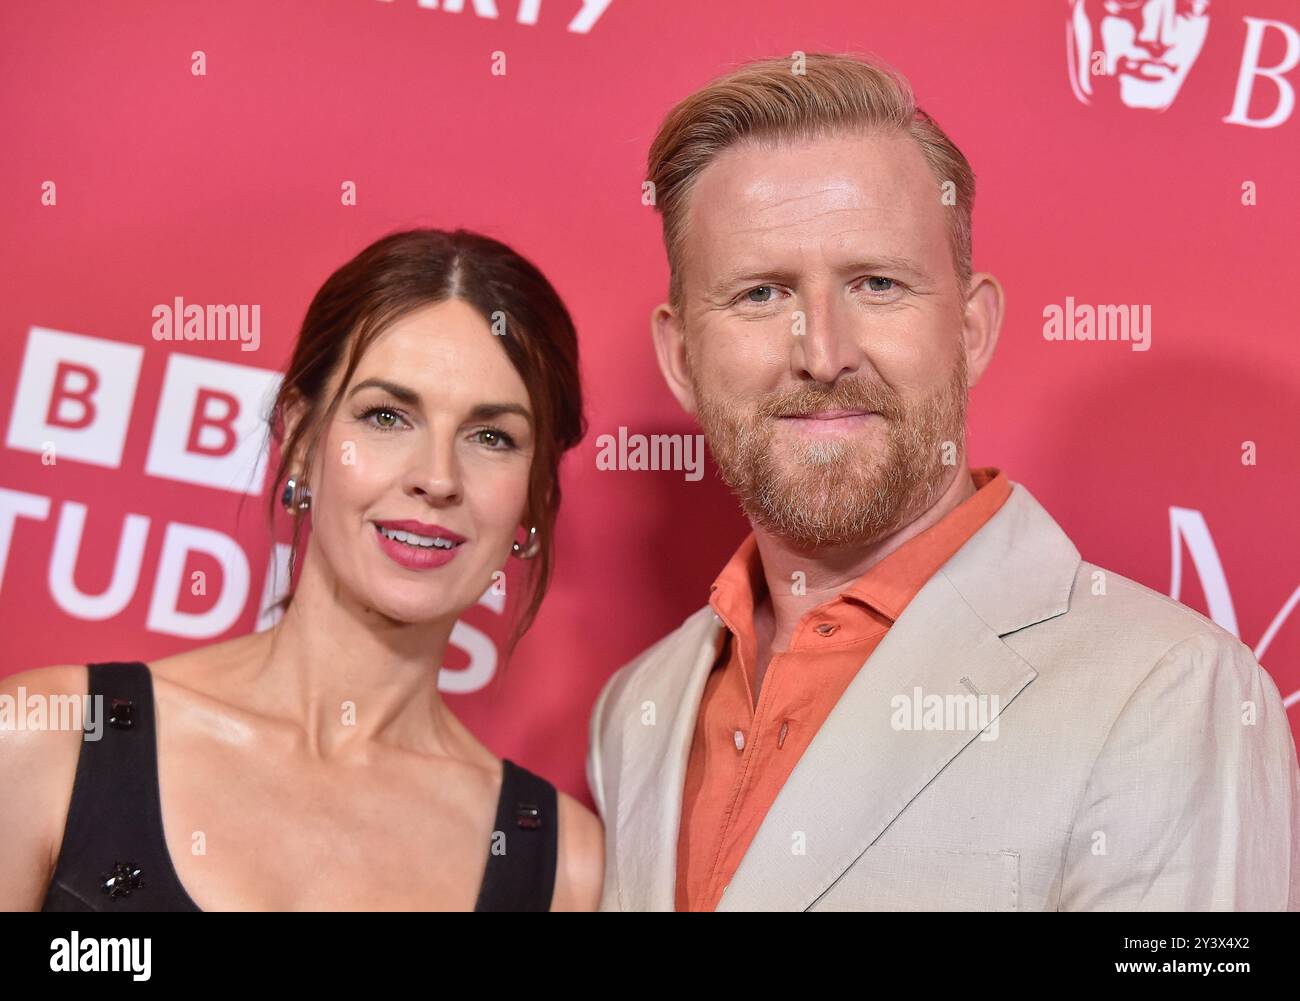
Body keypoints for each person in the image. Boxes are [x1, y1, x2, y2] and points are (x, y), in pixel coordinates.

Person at [585, 53, 1300, 911]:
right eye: (761, 294)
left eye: (877, 284)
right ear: (681, 356)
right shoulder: (639, 712)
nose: (822, 353)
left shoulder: (1173, 695)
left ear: (972, 328)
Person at [1, 228, 603, 911]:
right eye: (386, 415)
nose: (437, 478)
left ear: (536, 492)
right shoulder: (46, 741)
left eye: (492, 436)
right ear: (299, 440)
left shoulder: (565, 871)